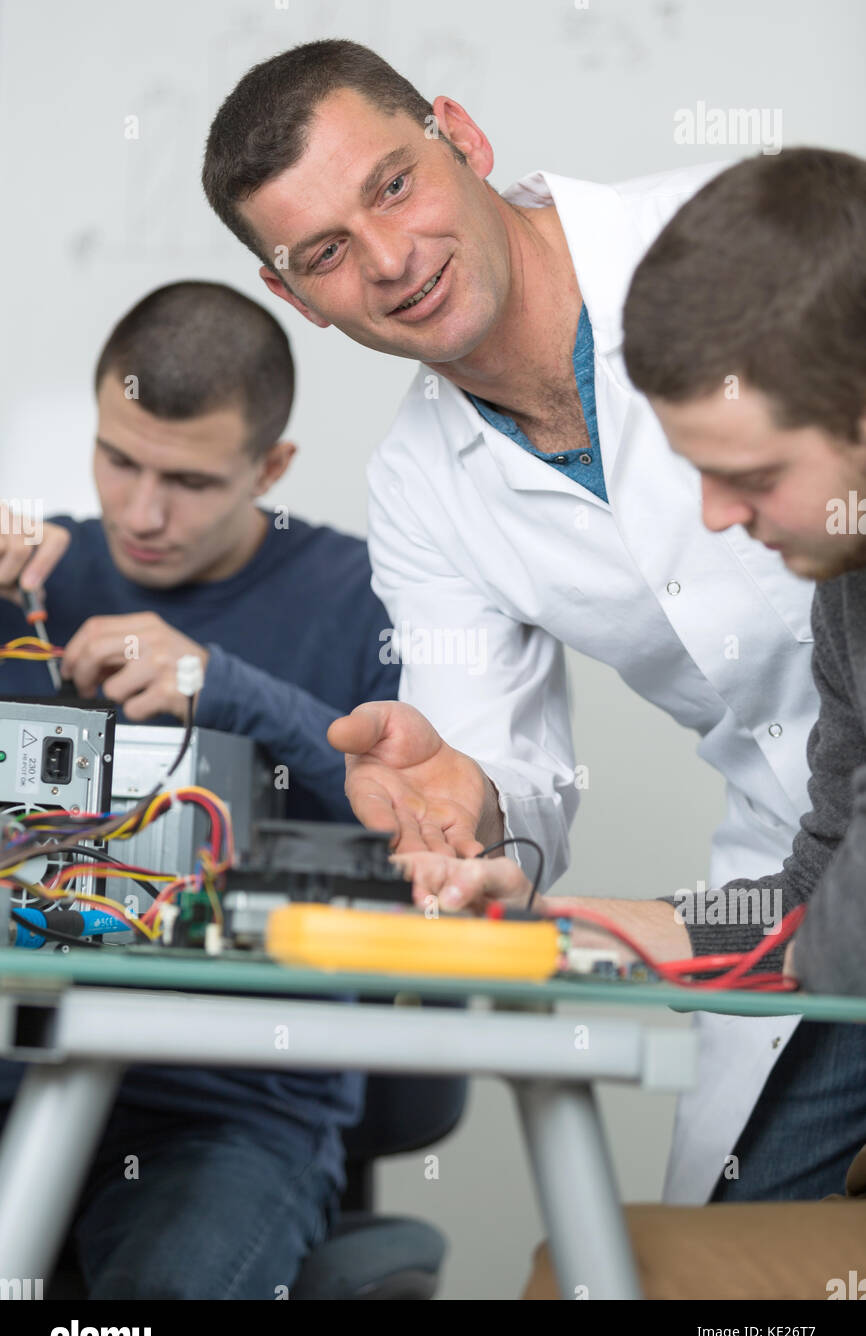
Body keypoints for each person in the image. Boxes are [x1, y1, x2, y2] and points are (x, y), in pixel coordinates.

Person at [202, 38, 831, 1206]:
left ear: (461, 135)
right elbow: (493, 776)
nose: (391, 261)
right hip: (804, 870)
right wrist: (469, 801)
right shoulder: (416, 481)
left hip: (814, 892)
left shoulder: (722, 241)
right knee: (730, 1267)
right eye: (326, 254)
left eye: (392, 182)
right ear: (294, 301)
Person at [396, 147, 866, 1298]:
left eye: (750, 475)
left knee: (619, 1280)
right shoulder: (845, 587)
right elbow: (814, 889)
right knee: (610, 1271)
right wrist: (580, 922)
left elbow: (838, 935)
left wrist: (759, 931)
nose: (713, 516)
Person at [0, 280, 399, 1298]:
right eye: (116, 458)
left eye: (187, 480)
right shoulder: (33, 578)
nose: (139, 511)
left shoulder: (368, 600)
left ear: (269, 467)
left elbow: (429, 838)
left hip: (231, 1107)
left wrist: (225, 688)